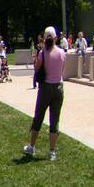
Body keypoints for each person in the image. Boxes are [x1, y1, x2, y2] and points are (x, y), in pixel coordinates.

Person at [24, 26, 66, 161]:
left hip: (45, 88)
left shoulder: (42, 53)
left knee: (38, 117)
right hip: (58, 88)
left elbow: (36, 68)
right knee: (55, 120)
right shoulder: (61, 52)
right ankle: (52, 151)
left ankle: (32, 146)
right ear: (55, 38)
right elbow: (61, 70)